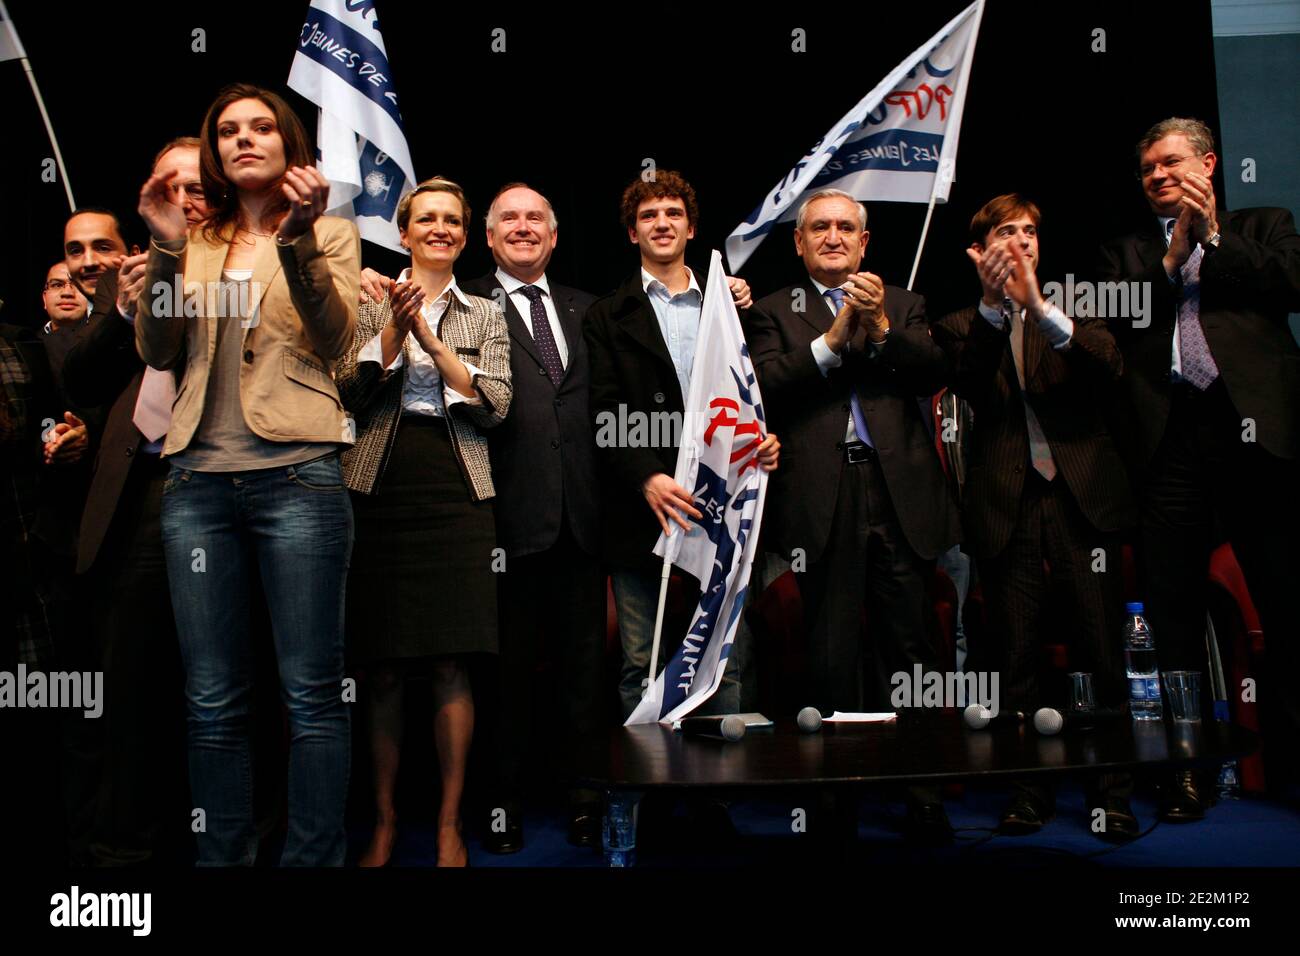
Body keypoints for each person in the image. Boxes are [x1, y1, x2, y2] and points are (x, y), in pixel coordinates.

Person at [135, 83, 360, 866]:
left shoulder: (329, 232)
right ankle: (221, 860)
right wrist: (164, 246)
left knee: (311, 698)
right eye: (227, 130)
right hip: (197, 484)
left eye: (261, 127)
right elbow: (159, 353)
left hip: (296, 477)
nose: (243, 139)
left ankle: (312, 860)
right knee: (211, 703)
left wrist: (297, 240)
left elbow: (336, 340)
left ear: (289, 142)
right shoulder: (191, 240)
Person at [744, 188, 959, 843]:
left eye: (846, 228)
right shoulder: (775, 310)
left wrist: (883, 329)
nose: (833, 236)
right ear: (800, 242)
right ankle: (833, 796)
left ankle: (923, 791)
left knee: (913, 653)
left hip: (900, 496)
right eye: (820, 228)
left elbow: (932, 373)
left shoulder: (905, 301)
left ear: (865, 242)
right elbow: (765, 384)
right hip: (818, 498)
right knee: (829, 653)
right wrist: (837, 337)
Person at [1098, 117, 1300, 808]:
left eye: (1171, 161)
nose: (1158, 174)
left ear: (1209, 164)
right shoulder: (1124, 252)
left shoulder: (1265, 223)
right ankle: (1185, 769)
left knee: (1282, 602)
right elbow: (1114, 320)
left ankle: (1289, 767)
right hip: (1166, 443)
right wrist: (1169, 258)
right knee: (1172, 615)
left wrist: (1212, 240)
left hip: (1255, 438)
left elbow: (1288, 284)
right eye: (1147, 167)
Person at [934, 194, 1138, 840]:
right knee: (1013, 659)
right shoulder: (961, 323)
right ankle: (1028, 791)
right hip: (1005, 507)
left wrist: (1038, 308)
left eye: (1028, 232)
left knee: (1101, 653)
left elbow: (1106, 368)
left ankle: (1111, 794)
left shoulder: (1077, 310)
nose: (1020, 241)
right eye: (1005, 233)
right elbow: (967, 386)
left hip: (1082, 501)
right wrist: (997, 308)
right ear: (981, 247)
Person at [336, 177, 511, 868]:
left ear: (465, 237)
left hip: (456, 487)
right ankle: (381, 822)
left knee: (448, 662)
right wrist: (389, 329)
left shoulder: (486, 311)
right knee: (379, 668)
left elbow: (496, 405)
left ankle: (448, 824)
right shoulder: (363, 296)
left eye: (452, 221)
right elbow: (346, 390)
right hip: (377, 485)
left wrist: (432, 344)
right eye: (425, 219)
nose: (439, 229)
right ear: (403, 232)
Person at [58, 137, 208, 866]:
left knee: (222, 685)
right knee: (131, 686)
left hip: (228, 484)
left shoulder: (246, 265)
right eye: (167, 184)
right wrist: (123, 314)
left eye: (196, 183)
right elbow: (82, 382)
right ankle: (124, 855)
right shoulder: (137, 276)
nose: (182, 196)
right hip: (143, 493)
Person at [584, 170, 777, 722]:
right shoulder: (604, 314)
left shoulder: (731, 305)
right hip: (641, 511)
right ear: (631, 233)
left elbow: (758, 390)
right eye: (648, 216)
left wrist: (764, 440)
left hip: (721, 506)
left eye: (672, 214)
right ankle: (643, 802)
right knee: (640, 663)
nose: (661, 223)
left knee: (724, 660)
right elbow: (601, 412)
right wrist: (646, 476)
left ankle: (713, 802)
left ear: (691, 227)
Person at [460, 183, 605, 854]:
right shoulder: (465, 304)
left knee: (584, 675)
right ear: (488, 238)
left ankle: (585, 798)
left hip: (584, 521)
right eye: (509, 220)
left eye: (535, 219)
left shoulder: (591, 309)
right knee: (506, 679)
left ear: (553, 234)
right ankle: (501, 804)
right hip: (502, 526)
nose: (523, 228)